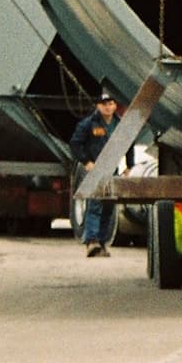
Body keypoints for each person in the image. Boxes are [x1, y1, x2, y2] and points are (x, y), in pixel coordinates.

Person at [69, 85, 121, 258]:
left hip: (112, 170)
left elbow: (128, 144)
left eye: (110, 103)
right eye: (104, 104)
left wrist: (129, 164)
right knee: (95, 204)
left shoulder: (119, 124)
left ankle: (102, 243)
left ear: (115, 106)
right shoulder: (88, 124)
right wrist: (86, 161)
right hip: (95, 170)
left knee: (108, 207)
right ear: (98, 106)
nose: (107, 107)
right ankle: (92, 242)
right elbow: (75, 144)